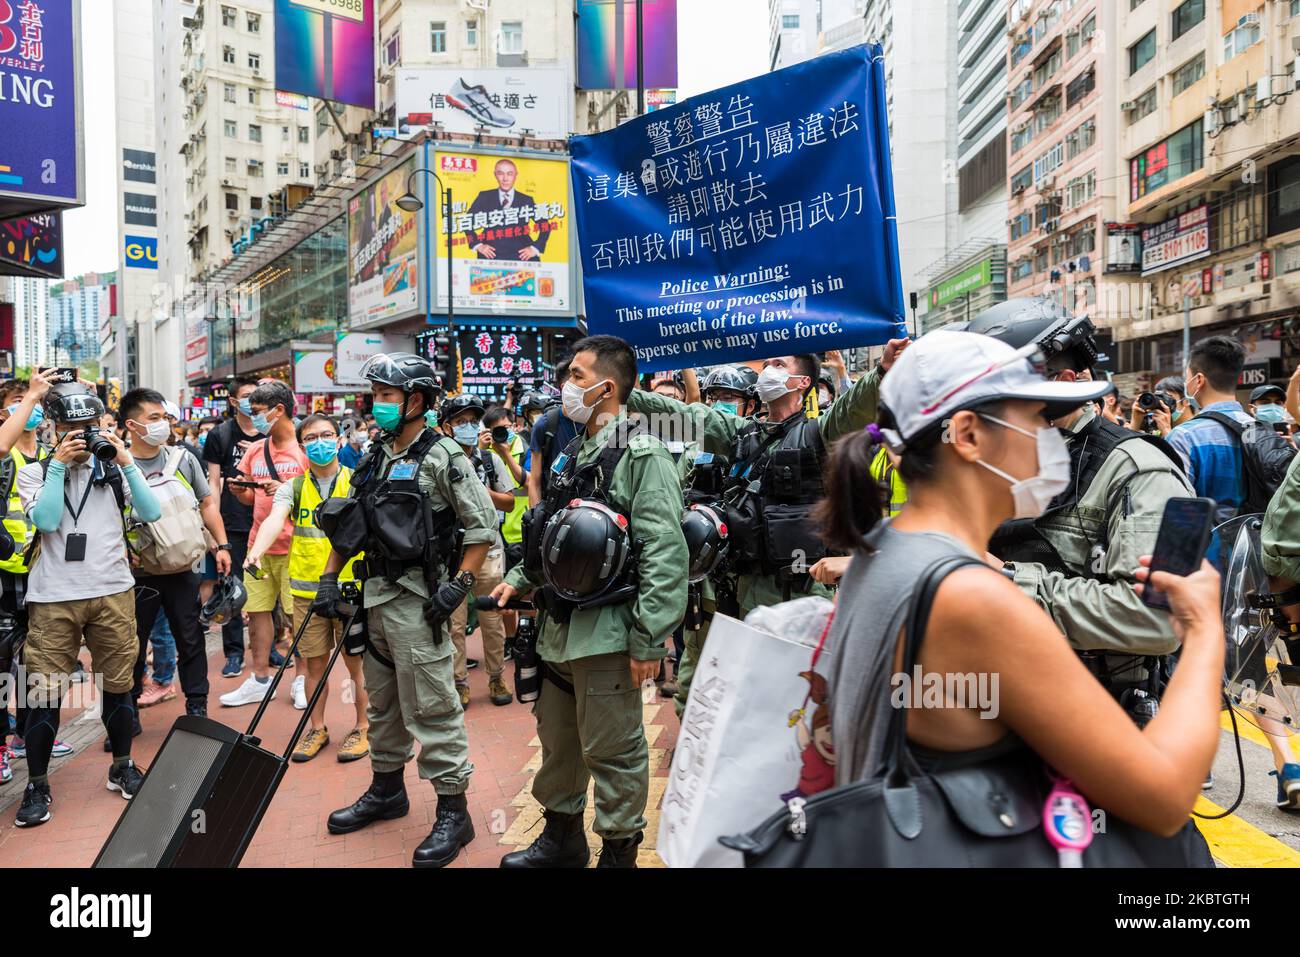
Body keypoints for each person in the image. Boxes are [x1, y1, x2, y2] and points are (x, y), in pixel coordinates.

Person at [814, 329, 1221, 854]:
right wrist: (1206, 631)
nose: (1047, 439)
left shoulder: (885, 551)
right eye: (1032, 419)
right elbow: (1164, 798)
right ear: (967, 435)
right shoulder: (975, 599)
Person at [492, 335, 688, 868]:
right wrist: (519, 576)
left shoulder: (643, 453)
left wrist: (650, 637)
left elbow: (665, 551)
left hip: (608, 630)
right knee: (557, 740)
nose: (566, 386)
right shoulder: (576, 450)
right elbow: (551, 533)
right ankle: (561, 838)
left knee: (614, 749)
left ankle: (619, 852)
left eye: (576, 376)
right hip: (559, 625)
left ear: (608, 386)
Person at [314, 353, 497, 869]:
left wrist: (458, 588)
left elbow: (482, 529)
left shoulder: (445, 456)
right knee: (384, 705)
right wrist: (329, 578)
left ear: (416, 400)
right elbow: (349, 526)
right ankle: (387, 791)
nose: (379, 405)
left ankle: (453, 812)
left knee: (433, 706)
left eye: (388, 396)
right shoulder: (374, 455)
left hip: (421, 604)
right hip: (374, 599)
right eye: (377, 396)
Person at [967, 298, 1193, 714]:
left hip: (1096, 713)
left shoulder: (1148, 471)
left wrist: (1009, 579)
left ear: (1063, 381)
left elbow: (1159, 621)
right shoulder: (1002, 462)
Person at [627, 343, 907, 616]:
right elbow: (686, 415)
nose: (768, 371)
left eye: (779, 364)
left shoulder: (819, 433)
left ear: (802, 381)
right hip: (746, 593)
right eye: (766, 365)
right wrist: (623, 391)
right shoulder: (740, 433)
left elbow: (853, 408)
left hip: (803, 598)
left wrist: (881, 370)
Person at [14, 382, 163, 827]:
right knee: (43, 692)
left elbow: (152, 513)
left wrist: (126, 462)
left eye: (87, 426)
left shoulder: (114, 471)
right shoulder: (35, 473)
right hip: (53, 597)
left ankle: (121, 765)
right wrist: (59, 467)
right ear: (51, 430)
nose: (79, 436)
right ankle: (37, 782)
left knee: (119, 684)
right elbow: (45, 520)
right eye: (68, 428)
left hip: (113, 590)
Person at [1168, 336, 1300, 796]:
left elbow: (1179, 513)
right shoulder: (1263, 430)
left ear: (1196, 379)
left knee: (1193, 663)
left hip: (1204, 573)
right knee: (1252, 668)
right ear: (1238, 378)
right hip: (1257, 575)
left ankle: (1198, 763)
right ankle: (1289, 767)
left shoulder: (1183, 438)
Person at [244, 414, 369, 763]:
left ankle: (362, 728)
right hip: (307, 593)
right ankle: (317, 728)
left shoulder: (356, 482)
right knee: (313, 666)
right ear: (302, 447)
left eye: (327, 435)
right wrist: (255, 552)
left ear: (339, 440)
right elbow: (273, 519)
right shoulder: (294, 487)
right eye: (311, 438)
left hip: (350, 591)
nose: (320, 442)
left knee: (357, 665)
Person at [120, 388, 232, 720]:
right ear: (132, 424)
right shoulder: (115, 464)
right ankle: (128, 713)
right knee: (133, 645)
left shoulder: (183, 458)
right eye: (153, 418)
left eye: (164, 418)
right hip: (138, 573)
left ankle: (196, 706)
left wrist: (221, 544)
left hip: (184, 565)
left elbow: (207, 503)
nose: (163, 425)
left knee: (191, 638)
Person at [219, 380, 308, 708]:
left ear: (279, 410)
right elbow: (248, 500)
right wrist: (240, 491)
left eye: (257, 412)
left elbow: (319, 495)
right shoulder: (256, 450)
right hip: (259, 547)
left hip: (296, 547)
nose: (253, 418)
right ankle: (259, 678)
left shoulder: (305, 449)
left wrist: (283, 487)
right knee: (256, 614)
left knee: (297, 617)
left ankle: (302, 678)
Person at [437, 395, 513, 709]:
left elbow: (509, 502)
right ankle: (459, 684)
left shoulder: (490, 460)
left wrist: (478, 492)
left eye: (472, 421)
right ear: (447, 427)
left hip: (490, 549)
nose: (468, 427)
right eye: (460, 421)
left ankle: (496, 677)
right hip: (453, 553)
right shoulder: (439, 460)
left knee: (491, 616)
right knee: (453, 623)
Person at [203, 378, 261, 677]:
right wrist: (215, 531)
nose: (254, 401)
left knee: (267, 588)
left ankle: (269, 648)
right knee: (232, 589)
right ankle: (234, 653)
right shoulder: (220, 435)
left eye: (258, 396)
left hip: (265, 523)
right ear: (234, 401)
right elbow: (213, 483)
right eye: (248, 396)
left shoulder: (269, 432)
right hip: (233, 524)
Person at [464, 158, 552, 262]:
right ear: (495, 174)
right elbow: (466, 222)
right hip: (491, 256)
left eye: (510, 174)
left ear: (516, 175)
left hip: (521, 257)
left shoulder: (526, 200)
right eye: (500, 173)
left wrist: (535, 248)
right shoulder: (484, 197)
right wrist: (477, 245)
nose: (505, 178)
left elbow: (545, 225)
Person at [527, 358, 579, 506]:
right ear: (565, 387)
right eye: (577, 378)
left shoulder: (597, 420)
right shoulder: (545, 424)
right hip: (554, 509)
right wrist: (536, 520)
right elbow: (535, 481)